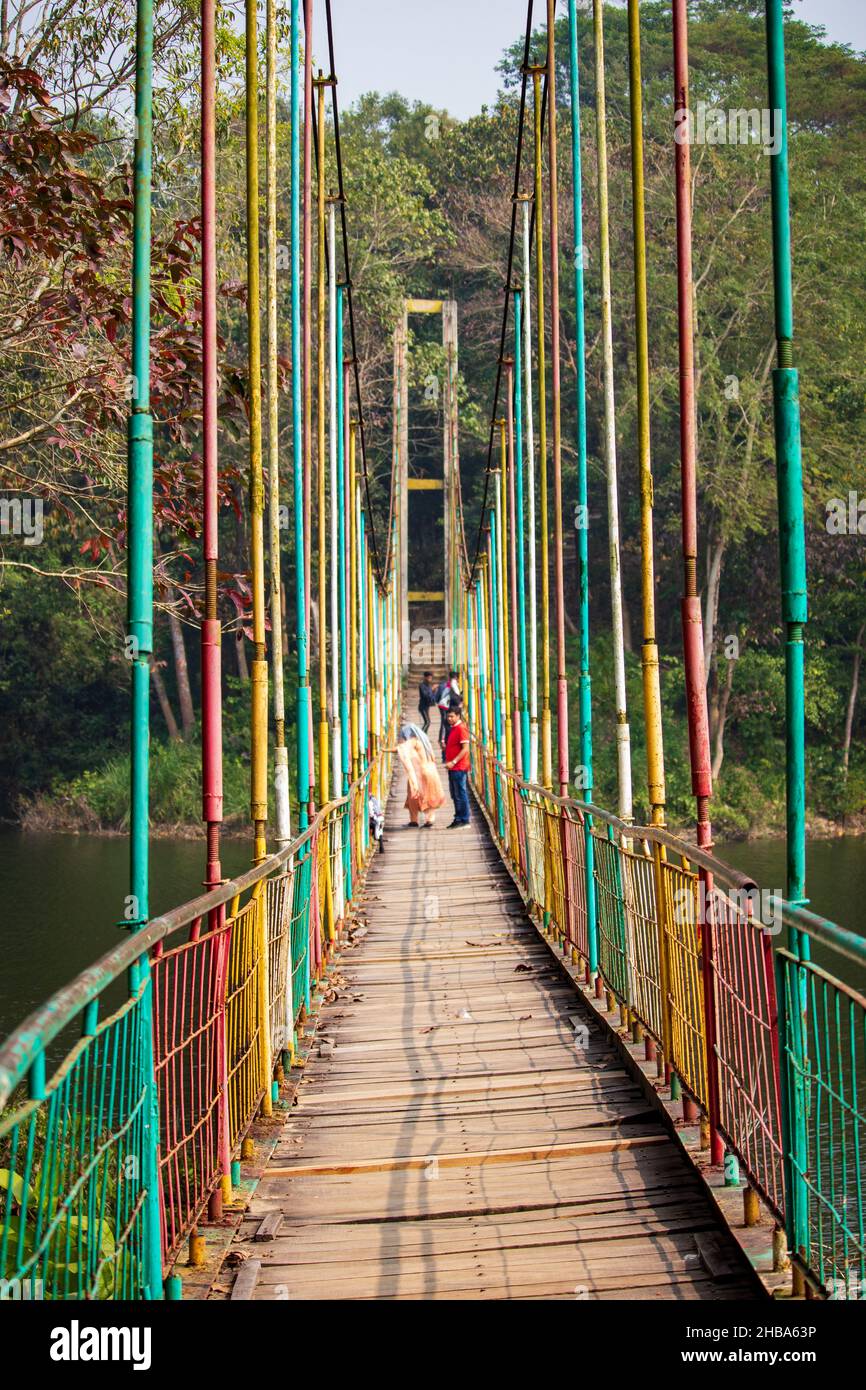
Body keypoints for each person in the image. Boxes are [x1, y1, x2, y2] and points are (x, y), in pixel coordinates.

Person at [395, 723, 445, 828]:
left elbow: (401, 749)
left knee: (413, 795)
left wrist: (384, 750)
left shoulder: (413, 741)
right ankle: (430, 820)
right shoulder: (424, 741)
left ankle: (414, 821)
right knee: (429, 795)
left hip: (420, 773)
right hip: (431, 771)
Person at [443, 706, 471, 828]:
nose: (449, 718)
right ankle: (458, 818)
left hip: (459, 766)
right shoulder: (453, 728)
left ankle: (464, 819)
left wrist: (453, 761)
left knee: (460, 793)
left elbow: (465, 749)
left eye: (452, 716)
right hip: (453, 767)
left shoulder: (461, 728)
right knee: (455, 794)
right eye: (448, 716)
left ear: (458, 716)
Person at [435, 670, 462, 760]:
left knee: (445, 724)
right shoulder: (453, 684)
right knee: (446, 726)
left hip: (444, 705)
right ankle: (442, 741)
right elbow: (457, 695)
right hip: (446, 706)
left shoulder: (446, 684)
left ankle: (443, 744)